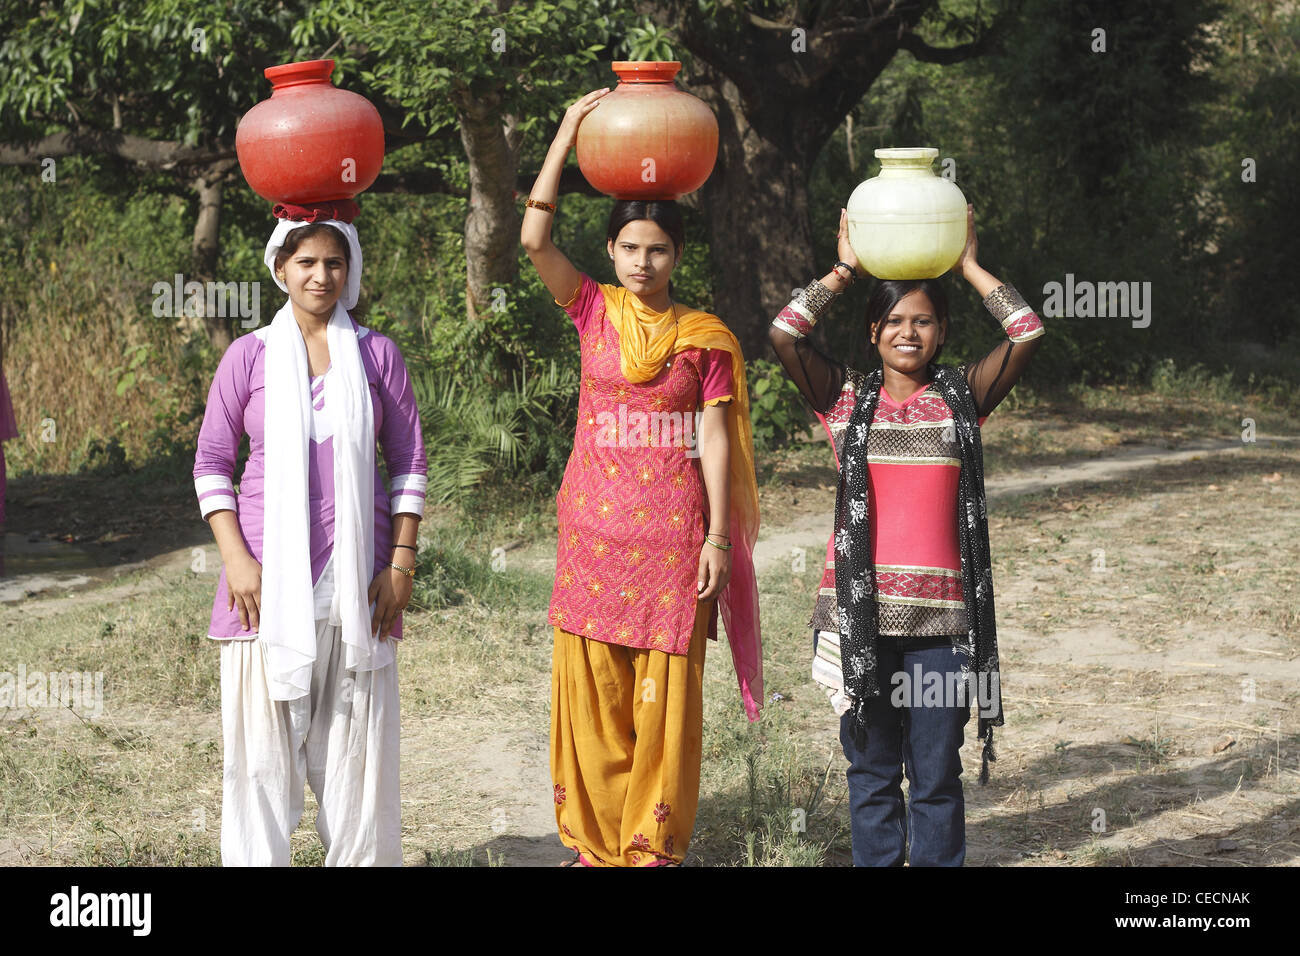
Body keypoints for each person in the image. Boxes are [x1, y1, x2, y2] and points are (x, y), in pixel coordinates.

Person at [520, 89, 763, 867]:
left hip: (672, 543)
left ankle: (649, 849)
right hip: (592, 537)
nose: (643, 261)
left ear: (677, 256)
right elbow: (533, 239)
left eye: (658, 249)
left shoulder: (705, 340)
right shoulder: (591, 309)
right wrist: (565, 134)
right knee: (593, 700)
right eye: (630, 248)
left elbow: (716, 439)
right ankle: (593, 847)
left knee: (663, 704)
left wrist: (719, 538)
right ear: (614, 253)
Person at [768, 205, 1044, 866]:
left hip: (942, 631)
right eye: (894, 320)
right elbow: (785, 331)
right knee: (869, 778)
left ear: (943, 330)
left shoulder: (960, 398)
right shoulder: (844, 399)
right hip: (859, 624)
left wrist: (971, 266)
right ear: (872, 332)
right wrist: (842, 270)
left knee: (936, 779)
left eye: (923, 320)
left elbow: (1026, 330)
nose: (908, 332)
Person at [192, 200, 427, 866]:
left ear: (350, 270)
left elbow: (409, 461)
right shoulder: (250, 357)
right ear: (280, 267)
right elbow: (211, 462)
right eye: (306, 262)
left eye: (334, 262)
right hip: (264, 587)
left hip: (360, 583)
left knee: (358, 764)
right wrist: (236, 558)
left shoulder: (378, 355)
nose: (321, 276)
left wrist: (401, 563)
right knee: (261, 763)